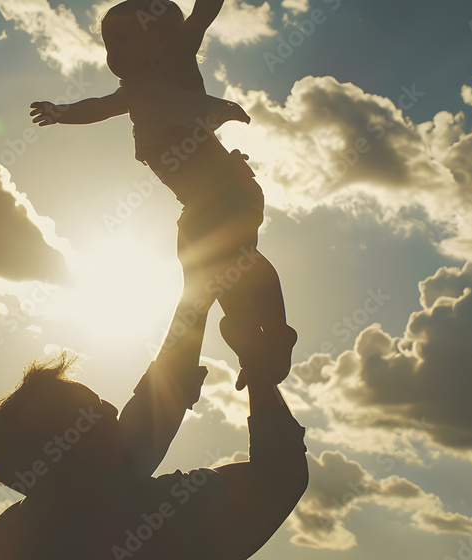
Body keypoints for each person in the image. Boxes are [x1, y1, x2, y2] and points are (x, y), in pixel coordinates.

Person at [29, 0, 298, 389]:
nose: (114, 53)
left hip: (229, 190)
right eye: (109, 44)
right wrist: (61, 112)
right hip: (198, 203)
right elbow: (98, 107)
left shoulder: (173, 60)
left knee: (236, 259)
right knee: (206, 268)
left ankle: (275, 332)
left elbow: (201, 17)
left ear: (162, 35)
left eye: (123, 38)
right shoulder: (134, 91)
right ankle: (248, 340)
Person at [0, 312, 308, 559]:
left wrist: (195, 296)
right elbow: (279, 477)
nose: (111, 408)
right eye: (93, 412)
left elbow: (139, 436)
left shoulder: (10, 536)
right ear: (73, 453)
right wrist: (260, 373)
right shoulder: (161, 518)